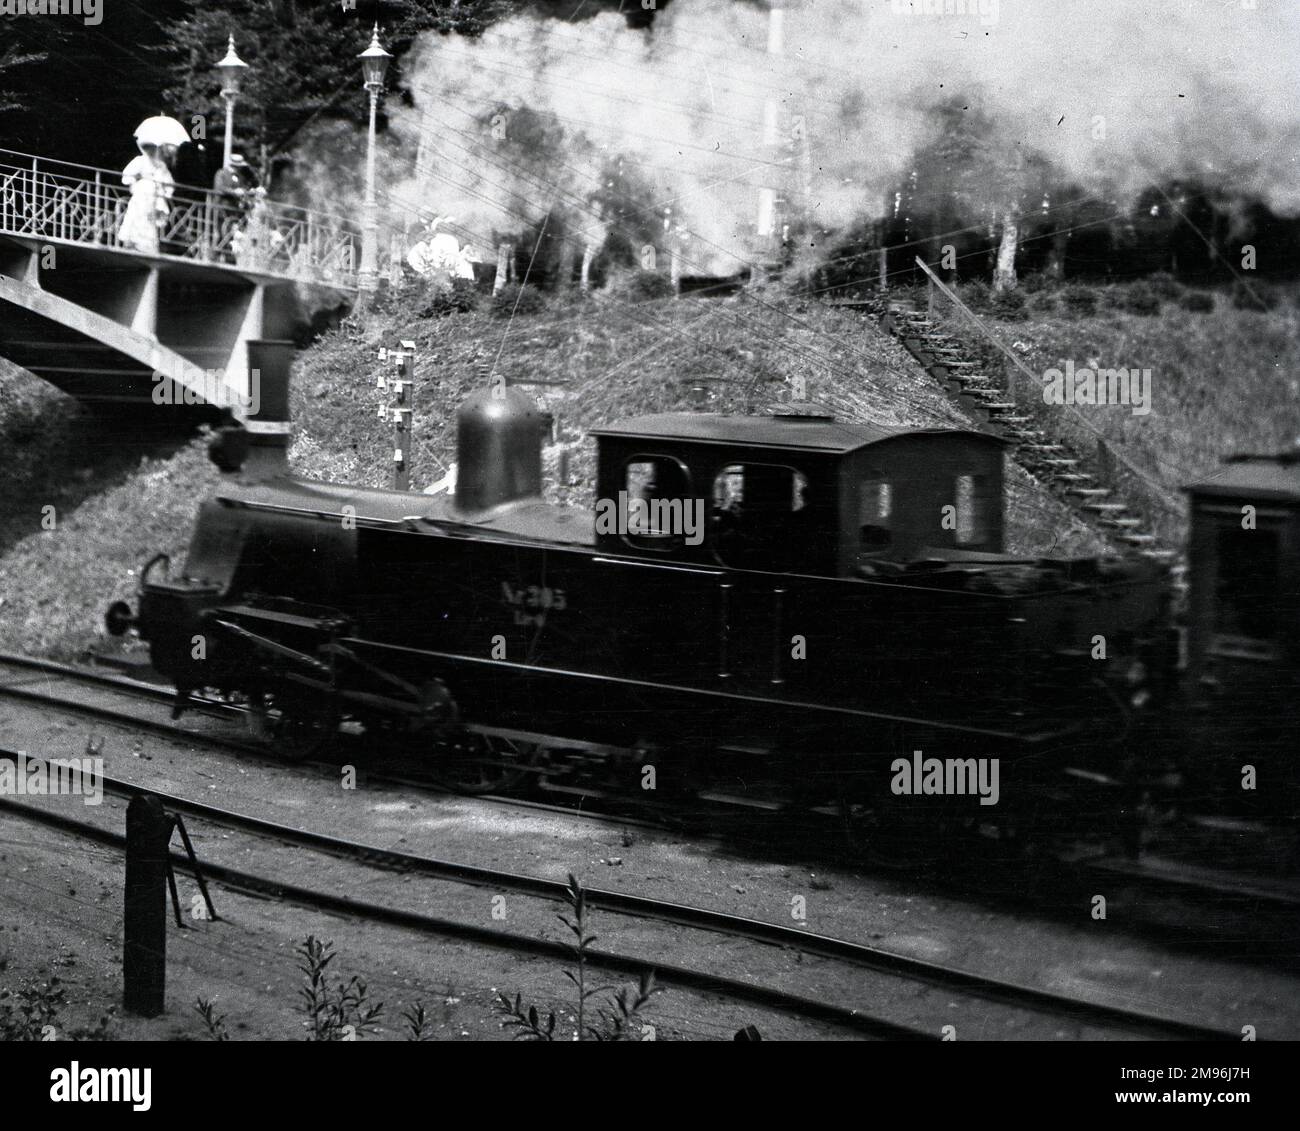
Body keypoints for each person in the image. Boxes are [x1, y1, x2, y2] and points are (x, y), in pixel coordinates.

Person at [116, 143, 173, 254]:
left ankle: (145, 247)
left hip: (153, 196)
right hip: (142, 193)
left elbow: (169, 183)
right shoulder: (140, 161)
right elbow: (126, 177)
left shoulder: (160, 165)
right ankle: (132, 244)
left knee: (148, 220)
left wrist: (163, 191)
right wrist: (136, 179)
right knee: (137, 216)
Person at [211, 154, 258, 262]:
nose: (238, 169)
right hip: (222, 208)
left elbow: (244, 188)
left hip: (234, 211)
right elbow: (219, 188)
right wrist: (234, 192)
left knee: (232, 235)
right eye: (237, 167)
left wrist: (247, 192)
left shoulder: (239, 177)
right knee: (223, 233)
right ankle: (220, 257)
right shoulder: (221, 173)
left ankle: (226, 258)